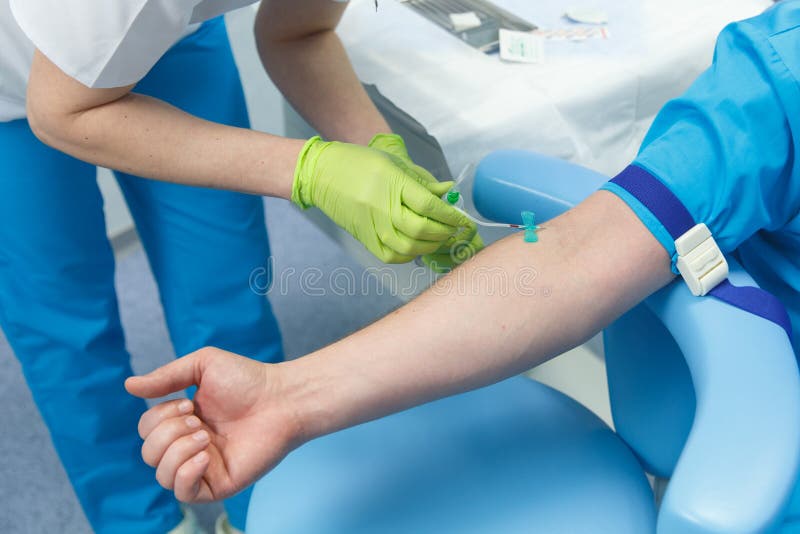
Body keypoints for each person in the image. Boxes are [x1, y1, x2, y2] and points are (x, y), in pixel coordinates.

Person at [126, 0, 800, 516]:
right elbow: (576, 258)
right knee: (77, 311)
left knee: (217, 280)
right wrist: (285, 398)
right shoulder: (775, 84)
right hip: (59, 87)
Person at [0, 1, 478, 533]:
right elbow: (61, 113)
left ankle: (260, 508)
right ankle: (138, 522)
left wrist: (379, 151)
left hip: (171, 40)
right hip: (8, 82)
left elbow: (299, 32)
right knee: (62, 322)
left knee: (224, 282)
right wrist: (311, 170)